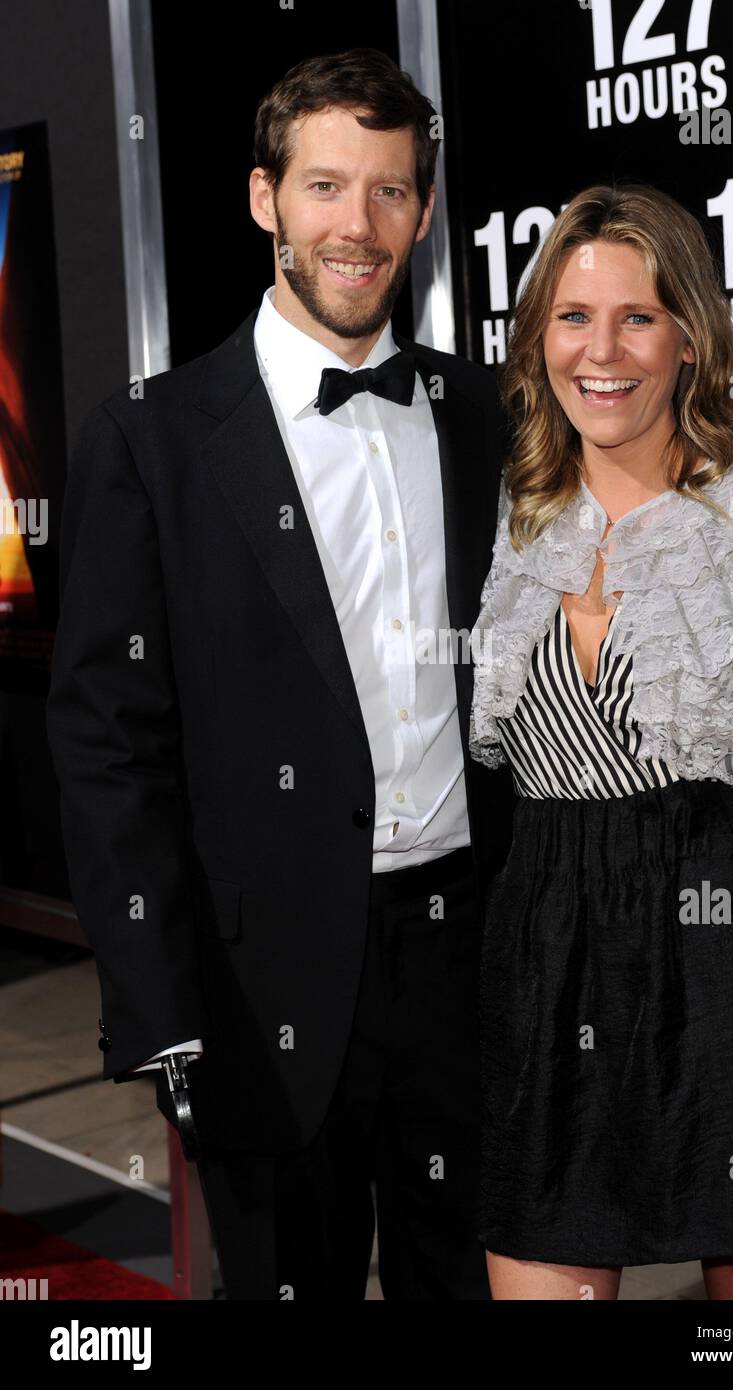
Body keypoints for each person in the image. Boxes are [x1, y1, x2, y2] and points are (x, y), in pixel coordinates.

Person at [46, 48, 513, 1300]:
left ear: (423, 211)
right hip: (265, 984)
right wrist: (157, 1005)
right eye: (324, 187)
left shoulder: (487, 414)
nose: (358, 227)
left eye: (392, 191)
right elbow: (105, 739)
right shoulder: (151, 438)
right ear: (265, 200)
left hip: (467, 960)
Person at [469, 183, 733, 1301]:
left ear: (690, 337)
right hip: (547, 962)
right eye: (572, 316)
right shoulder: (520, 516)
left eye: (637, 317)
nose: (602, 350)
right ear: (536, 337)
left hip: (732, 957)